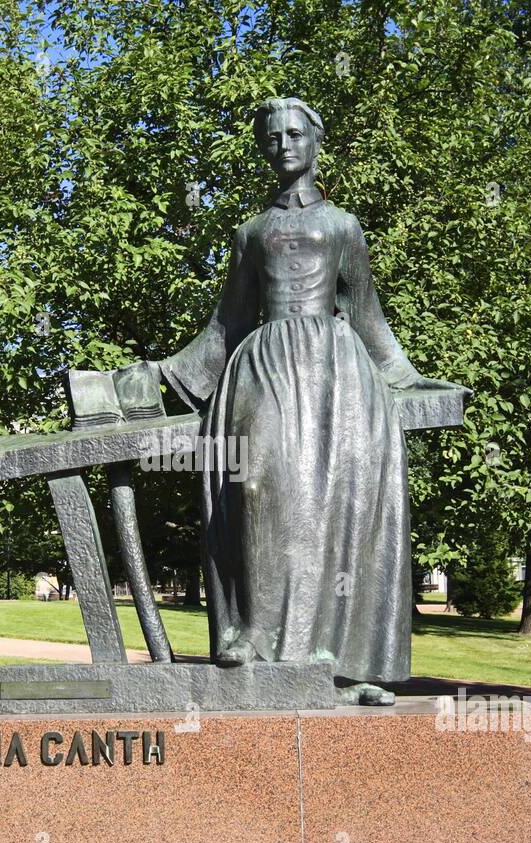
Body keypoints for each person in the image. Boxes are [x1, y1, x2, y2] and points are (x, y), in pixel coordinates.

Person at [154, 98, 446, 706]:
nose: (283, 143)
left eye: (294, 134)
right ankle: (252, 636)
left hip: (338, 375)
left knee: (341, 505)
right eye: (272, 136)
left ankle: (343, 666)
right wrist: (158, 377)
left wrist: (408, 376)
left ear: (315, 142)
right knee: (256, 477)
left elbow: (366, 313)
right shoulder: (250, 233)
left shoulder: (343, 226)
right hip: (263, 365)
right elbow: (227, 322)